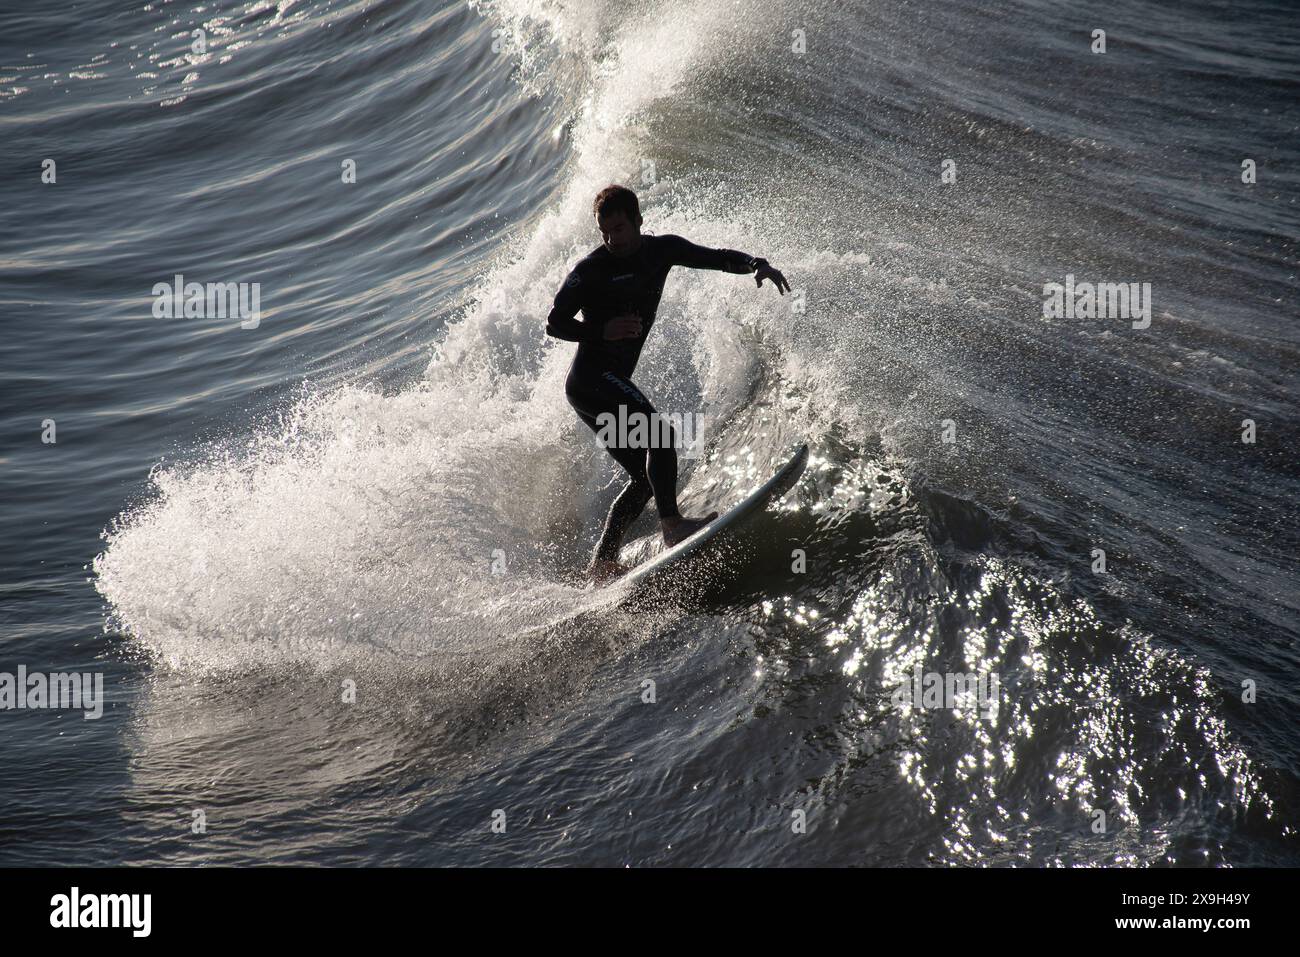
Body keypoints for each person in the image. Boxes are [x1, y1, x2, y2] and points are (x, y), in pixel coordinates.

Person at [545, 184, 791, 583]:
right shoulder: (590, 271)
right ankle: (673, 526)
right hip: (589, 382)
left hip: (603, 385)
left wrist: (756, 263)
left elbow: (717, 258)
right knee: (659, 434)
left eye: (620, 229)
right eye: (605, 232)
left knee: (643, 481)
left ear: (639, 221)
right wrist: (601, 330)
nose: (613, 240)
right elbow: (554, 323)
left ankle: (602, 563)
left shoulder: (662, 251)